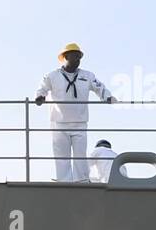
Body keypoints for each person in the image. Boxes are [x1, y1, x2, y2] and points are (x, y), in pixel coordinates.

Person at [35, 43, 117, 183]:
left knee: (80, 155)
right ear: (66, 57)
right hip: (59, 122)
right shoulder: (52, 76)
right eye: (74, 56)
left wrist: (107, 96)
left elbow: (99, 87)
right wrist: (40, 97)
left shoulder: (88, 75)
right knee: (61, 156)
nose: (77, 59)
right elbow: (42, 88)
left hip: (80, 122)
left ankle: (81, 180)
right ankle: (64, 181)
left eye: (79, 56)